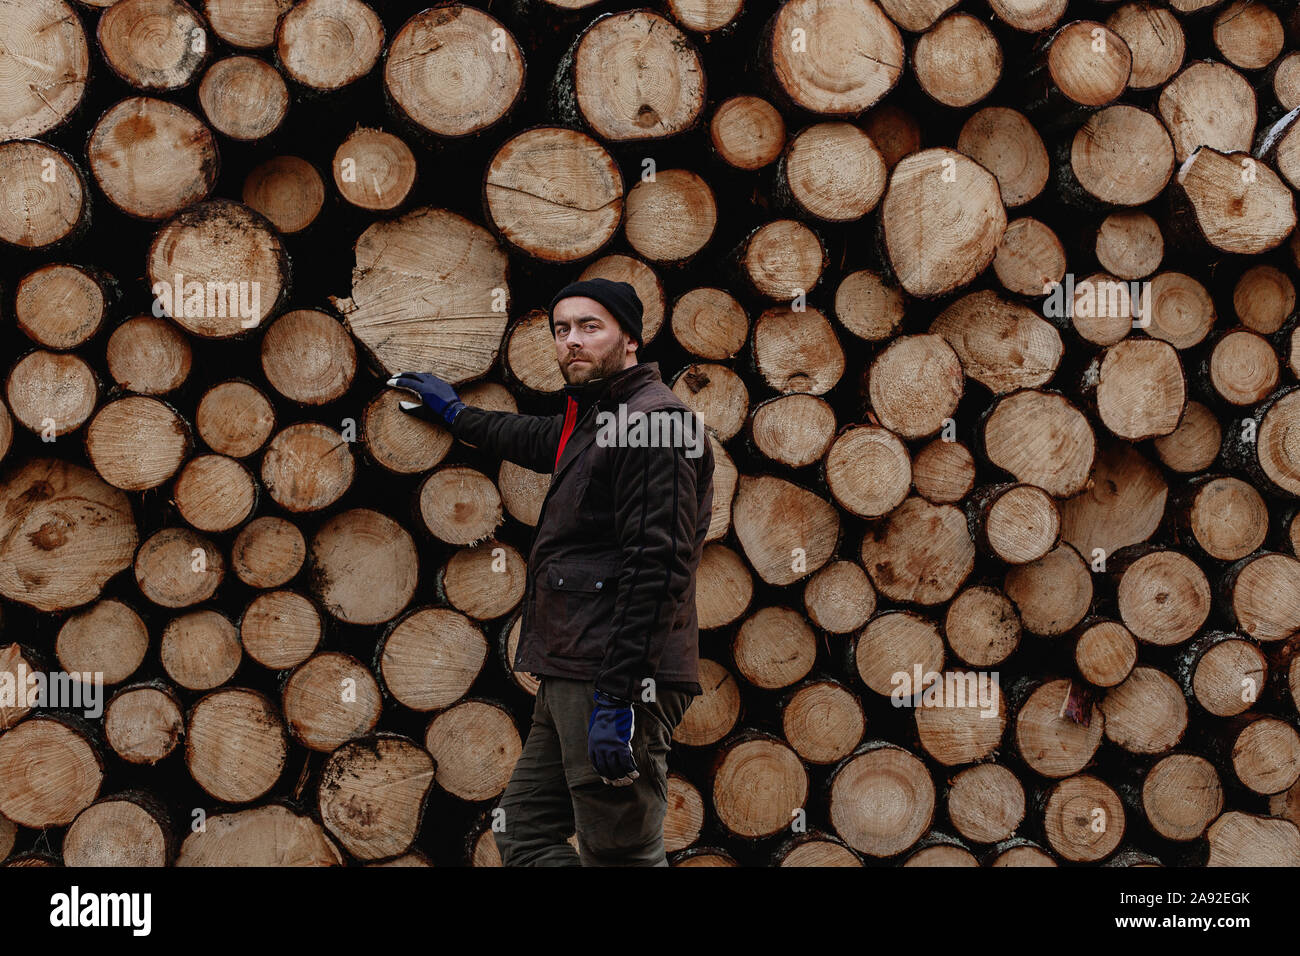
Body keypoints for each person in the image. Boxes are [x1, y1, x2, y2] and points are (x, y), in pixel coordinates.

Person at [389, 277, 714, 866]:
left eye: (590, 326)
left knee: (621, 856)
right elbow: (535, 438)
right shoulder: (601, 418)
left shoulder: (655, 423)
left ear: (631, 337)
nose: (572, 341)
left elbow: (659, 567)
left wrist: (619, 695)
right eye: (561, 329)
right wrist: (456, 413)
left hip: (613, 676)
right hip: (573, 670)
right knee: (524, 835)